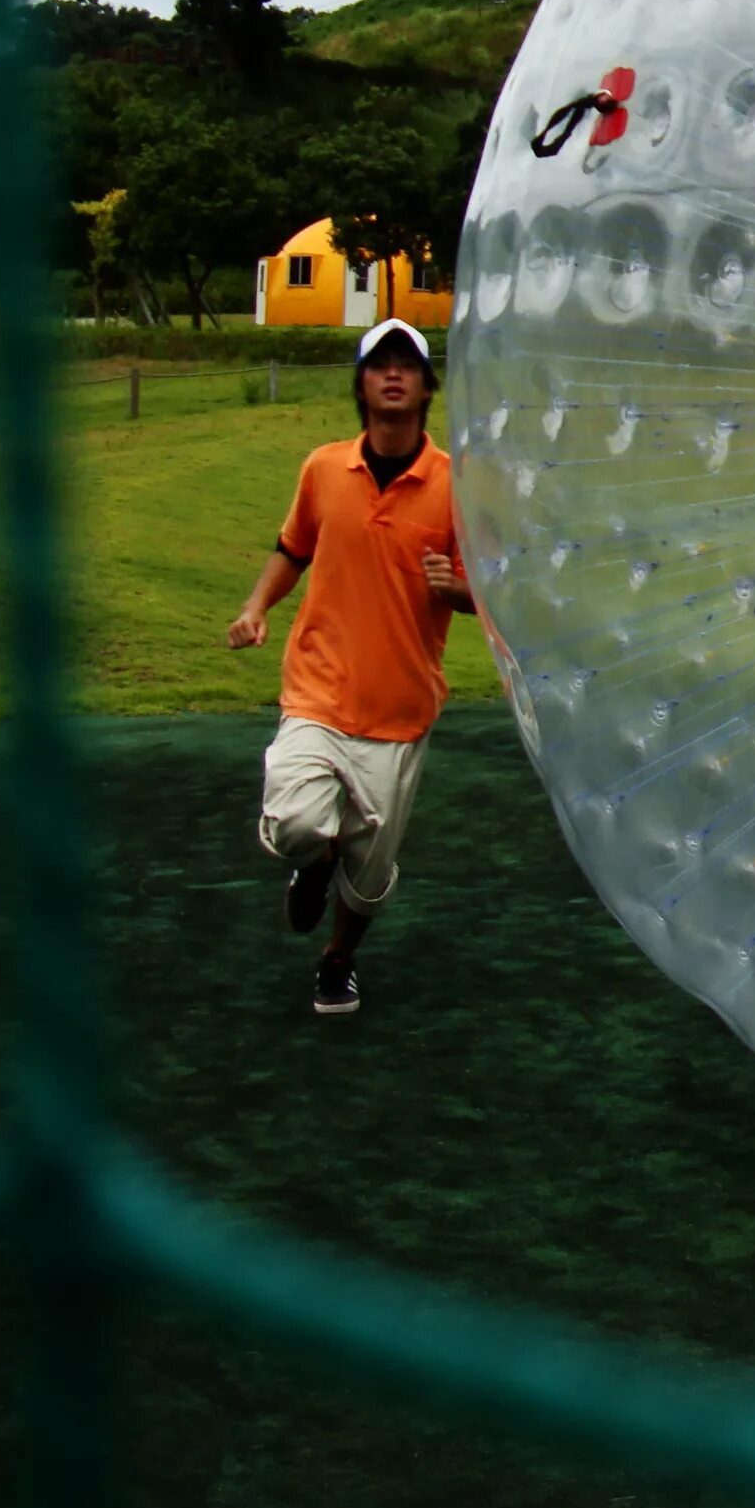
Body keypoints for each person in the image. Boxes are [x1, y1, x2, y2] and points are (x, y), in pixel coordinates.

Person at [225, 318, 474, 1016]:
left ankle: (337, 960)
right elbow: (292, 548)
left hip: (399, 712)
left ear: (427, 386)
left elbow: (488, 593)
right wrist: (255, 607)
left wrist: (455, 590)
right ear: (361, 383)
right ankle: (314, 858)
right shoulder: (323, 468)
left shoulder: (458, 486)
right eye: (378, 363)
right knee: (299, 822)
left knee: (368, 880)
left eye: (407, 364)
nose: (393, 373)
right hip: (317, 692)